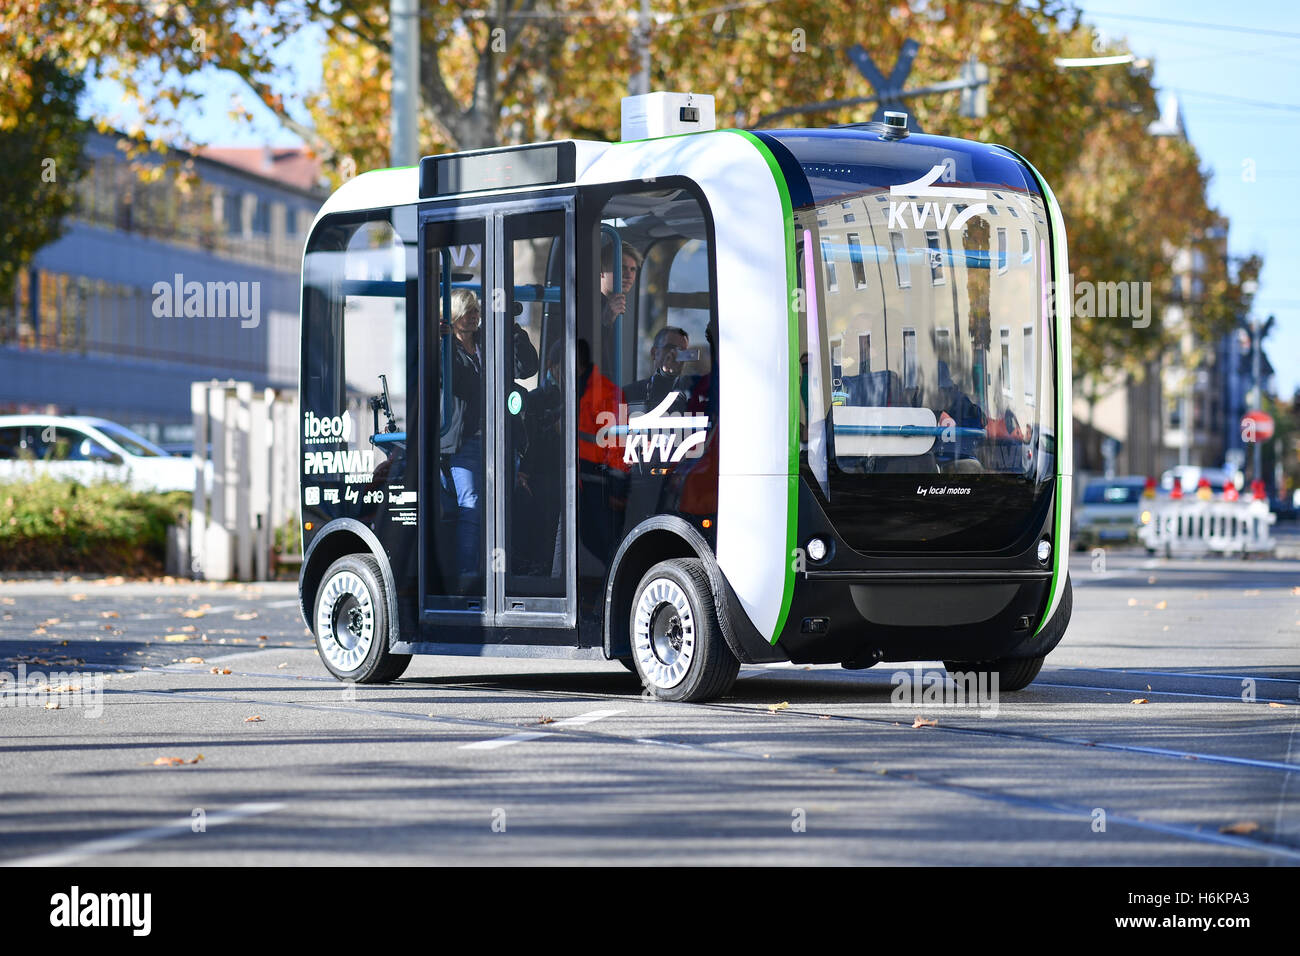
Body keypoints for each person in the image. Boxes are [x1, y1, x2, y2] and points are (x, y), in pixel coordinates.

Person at [438, 287, 539, 586]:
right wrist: (441, 342)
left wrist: (514, 331)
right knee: (472, 505)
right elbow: (460, 383)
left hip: (499, 438)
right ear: (454, 315)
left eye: (477, 312)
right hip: (465, 441)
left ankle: (500, 576)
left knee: (502, 508)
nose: (474, 317)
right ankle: (468, 577)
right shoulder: (446, 348)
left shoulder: (489, 340)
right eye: (468, 312)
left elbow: (527, 366)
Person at [597, 240, 642, 381]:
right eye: (622, 268)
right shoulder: (588, 306)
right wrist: (605, 321)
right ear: (601, 271)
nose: (629, 275)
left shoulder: (616, 308)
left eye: (633, 269)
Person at [624, 326, 691, 412]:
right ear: (654, 353)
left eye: (682, 351)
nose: (675, 355)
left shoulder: (692, 393)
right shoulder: (629, 394)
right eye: (670, 348)